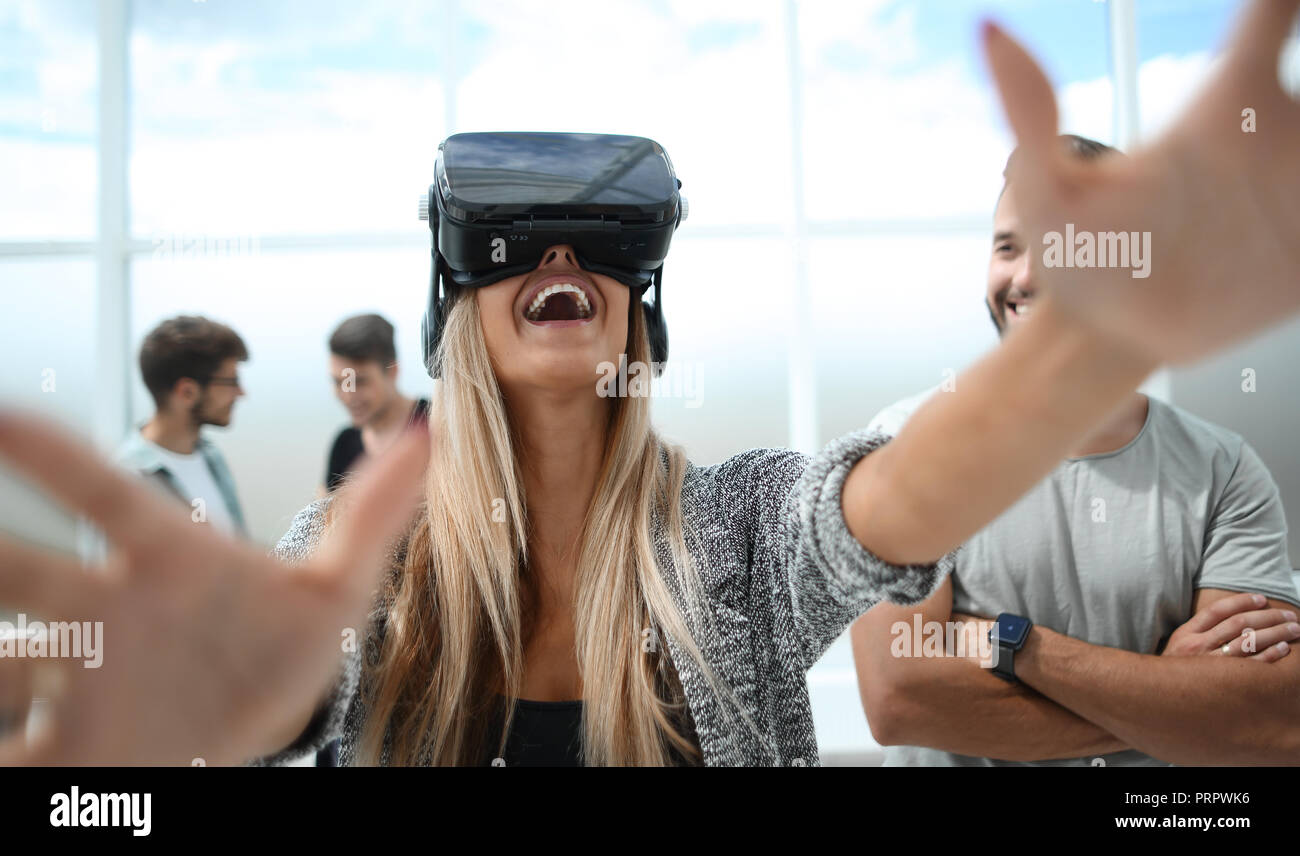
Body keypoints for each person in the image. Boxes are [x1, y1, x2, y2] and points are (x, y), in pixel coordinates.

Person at [3, 0, 1300, 766]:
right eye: (518, 244)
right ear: (459, 304)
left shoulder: (743, 536)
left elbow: (908, 486)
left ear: (642, 301)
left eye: (600, 244)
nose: (561, 260)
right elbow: (274, 687)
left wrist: (1101, 335)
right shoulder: (359, 570)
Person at [850, 135, 1300, 766]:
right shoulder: (901, 448)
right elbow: (900, 699)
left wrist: (1018, 646)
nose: (1025, 276)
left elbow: (1269, 717)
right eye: (1008, 246)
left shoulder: (1222, 473)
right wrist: (1170, 700)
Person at [76, 316, 250, 565]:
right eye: (232, 382)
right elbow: (107, 588)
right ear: (187, 391)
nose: (242, 393)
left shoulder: (212, 458)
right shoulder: (125, 482)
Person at [321, 314, 429, 497]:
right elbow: (325, 520)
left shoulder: (436, 424)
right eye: (338, 382)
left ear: (392, 371)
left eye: (360, 382)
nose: (348, 396)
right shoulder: (343, 445)